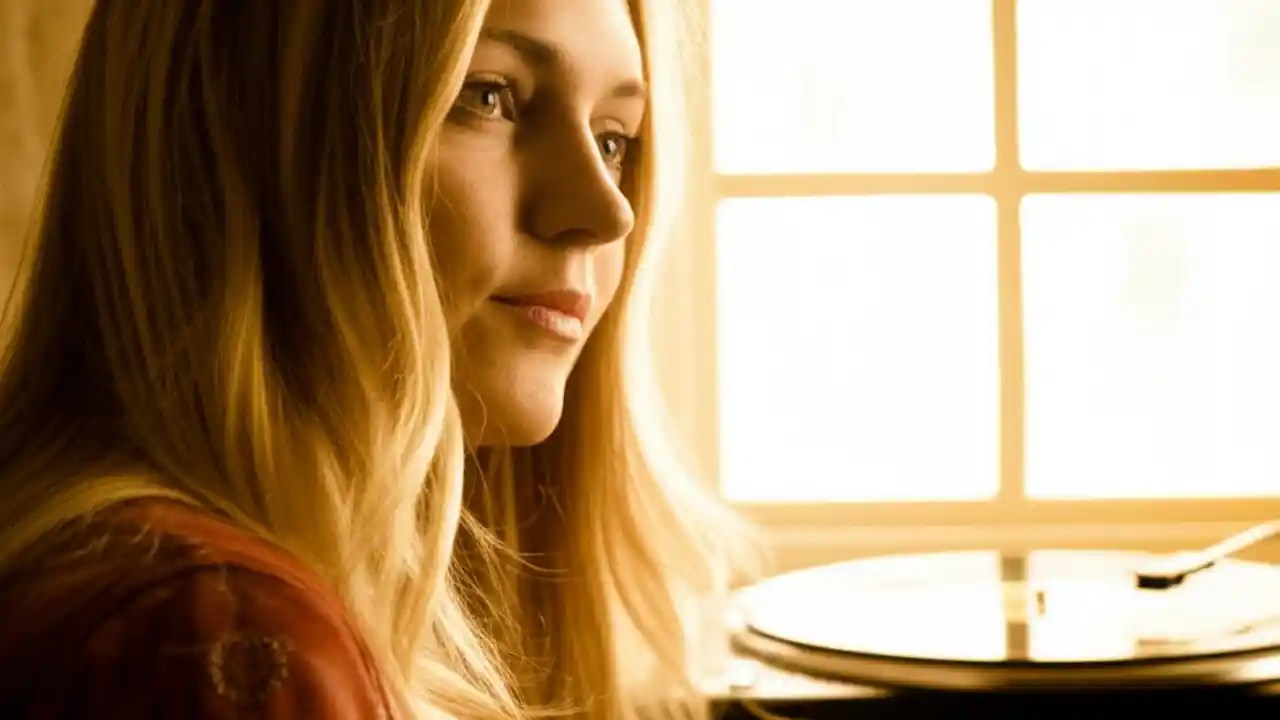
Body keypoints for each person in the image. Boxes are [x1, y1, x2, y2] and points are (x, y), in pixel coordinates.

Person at [0, 0, 761, 717]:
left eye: (612, 139)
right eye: (489, 96)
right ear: (246, 131)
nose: (607, 212)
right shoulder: (225, 638)